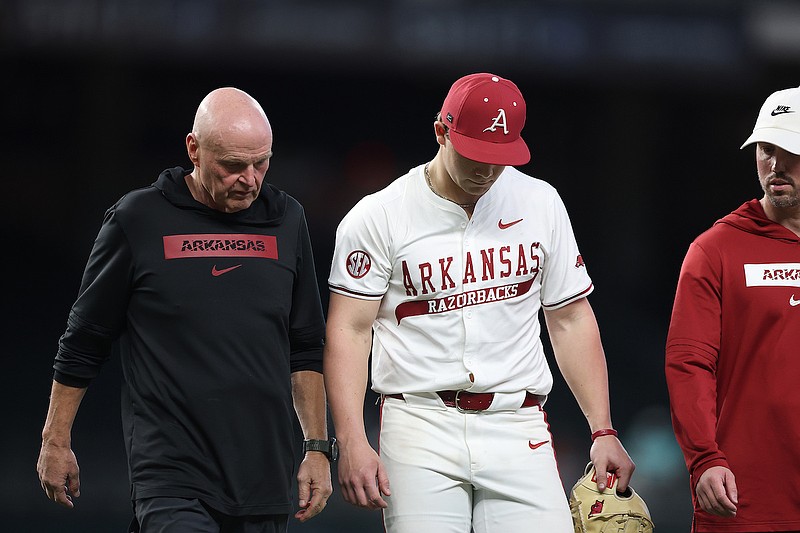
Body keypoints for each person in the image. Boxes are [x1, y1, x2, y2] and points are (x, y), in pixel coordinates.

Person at [323, 72, 634, 532]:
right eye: (475, 156)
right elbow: (349, 330)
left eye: (499, 158)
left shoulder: (540, 202)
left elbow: (569, 319)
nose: (487, 171)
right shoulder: (379, 216)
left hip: (517, 423)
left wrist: (602, 428)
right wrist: (350, 439)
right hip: (419, 423)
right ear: (441, 132)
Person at [36, 87, 334, 532]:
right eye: (233, 165)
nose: (250, 179)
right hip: (171, 477)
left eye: (261, 162)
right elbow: (84, 340)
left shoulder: (287, 219)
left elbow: (306, 347)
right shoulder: (137, 220)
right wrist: (54, 440)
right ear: (193, 149)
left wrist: (317, 448)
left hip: (264, 477)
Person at [666, 86, 800, 532]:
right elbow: (689, 362)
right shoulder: (715, 250)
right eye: (766, 149)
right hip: (744, 499)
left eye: (791, 150)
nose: (775, 165)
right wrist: (704, 457)